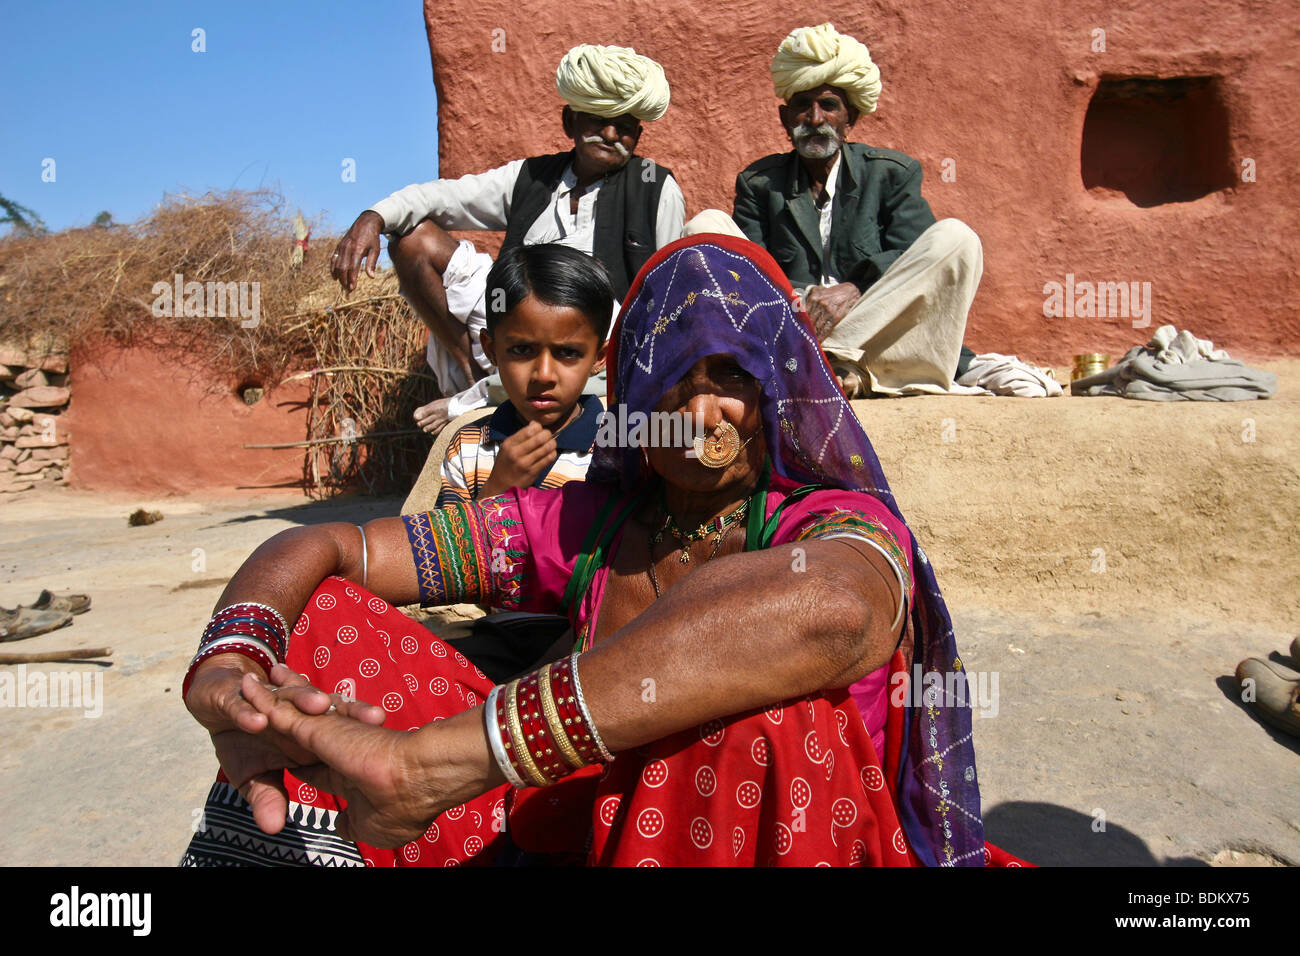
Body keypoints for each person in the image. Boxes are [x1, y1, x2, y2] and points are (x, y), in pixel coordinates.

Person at [181, 235, 1024, 867]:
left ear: (776, 394)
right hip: (567, 827)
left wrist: (441, 760)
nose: (700, 414)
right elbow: (334, 545)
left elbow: (838, 614)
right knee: (319, 616)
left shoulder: (823, 522)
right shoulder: (591, 523)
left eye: (729, 378)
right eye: (671, 382)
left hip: (777, 838)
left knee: (756, 720)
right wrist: (229, 659)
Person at [330, 43, 684, 435]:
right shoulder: (530, 178)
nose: (612, 134)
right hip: (514, 311)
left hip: (592, 329)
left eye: (626, 126)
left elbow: (666, 292)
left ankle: (481, 397)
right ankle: (474, 375)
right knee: (411, 238)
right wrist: (374, 216)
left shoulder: (655, 187)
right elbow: (443, 196)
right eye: (598, 120)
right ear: (570, 122)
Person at [730, 23, 984, 397]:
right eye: (803, 106)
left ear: (851, 119)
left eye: (829, 106)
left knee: (958, 238)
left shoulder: (891, 174)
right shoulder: (759, 183)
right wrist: (798, 305)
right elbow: (747, 273)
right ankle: (836, 367)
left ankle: (826, 361)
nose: (815, 120)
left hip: (872, 325)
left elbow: (913, 262)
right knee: (705, 227)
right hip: (790, 324)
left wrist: (854, 289)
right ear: (786, 119)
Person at [434, 243, 612, 509]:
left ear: (599, 358)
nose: (543, 375)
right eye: (521, 350)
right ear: (491, 349)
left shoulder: (617, 449)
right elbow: (450, 547)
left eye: (567, 352)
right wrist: (497, 491)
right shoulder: (469, 447)